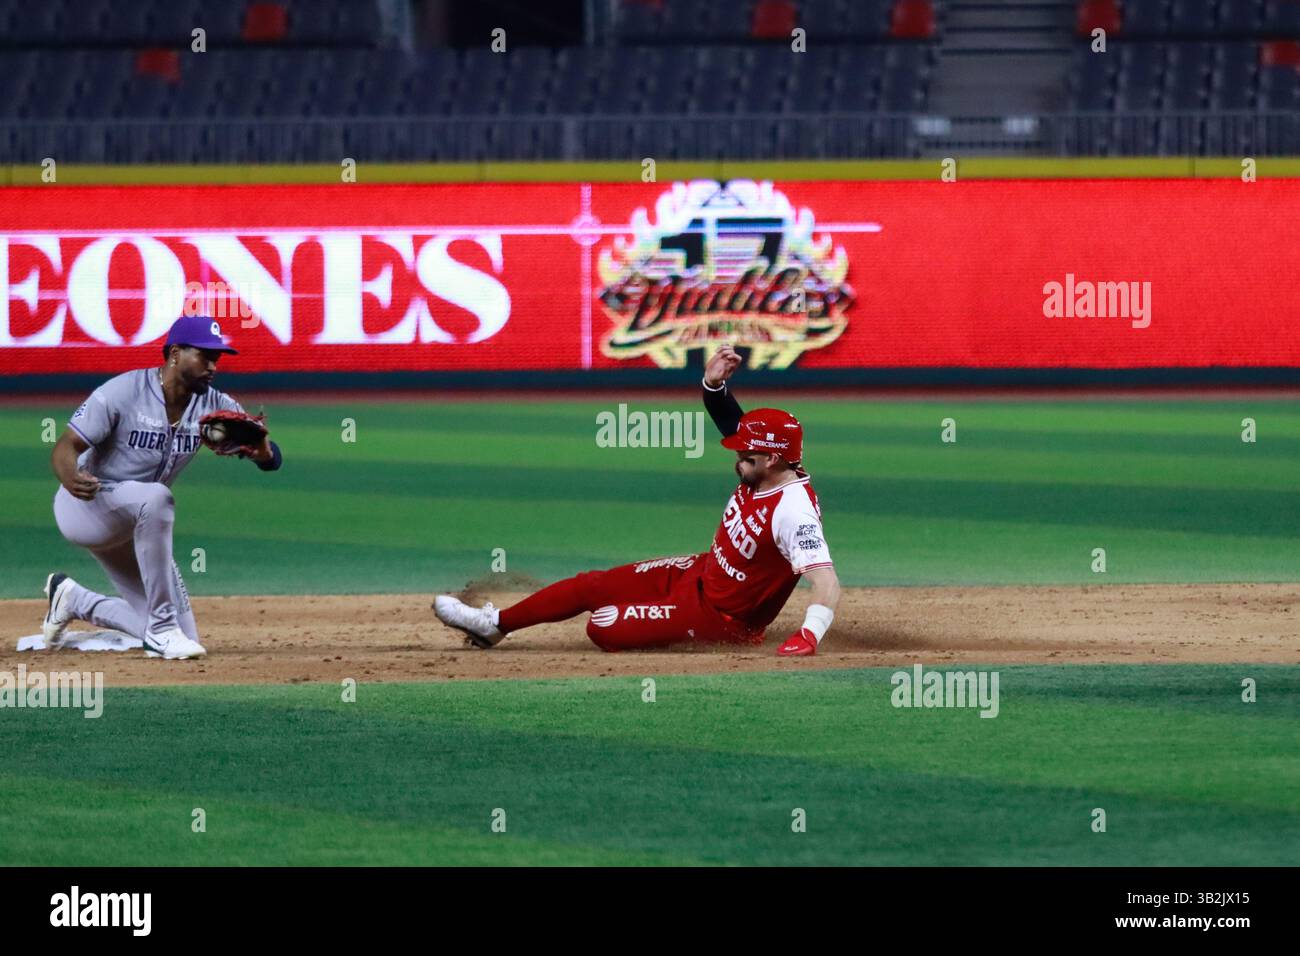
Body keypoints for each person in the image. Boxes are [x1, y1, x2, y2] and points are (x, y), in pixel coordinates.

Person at [433, 344, 841, 656]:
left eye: (744, 454)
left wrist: (809, 634)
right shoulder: (766, 467)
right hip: (698, 573)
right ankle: (494, 625)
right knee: (591, 585)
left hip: (722, 620)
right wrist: (713, 384)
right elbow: (729, 420)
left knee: (603, 624)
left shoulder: (792, 510)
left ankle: (670, 623)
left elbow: (826, 582)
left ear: (771, 457)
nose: (736, 459)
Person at [41, 315, 282, 660]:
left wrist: (263, 451)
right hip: (86, 507)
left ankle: (73, 599)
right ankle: (163, 629)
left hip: (139, 521)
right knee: (156, 497)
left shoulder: (214, 406)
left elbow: (270, 459)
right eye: (204, 355)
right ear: (174, 354)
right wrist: (69, 476)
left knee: (186, 637)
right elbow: (65, 447)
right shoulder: (123, 392)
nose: (213, 365)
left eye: (217, 357)